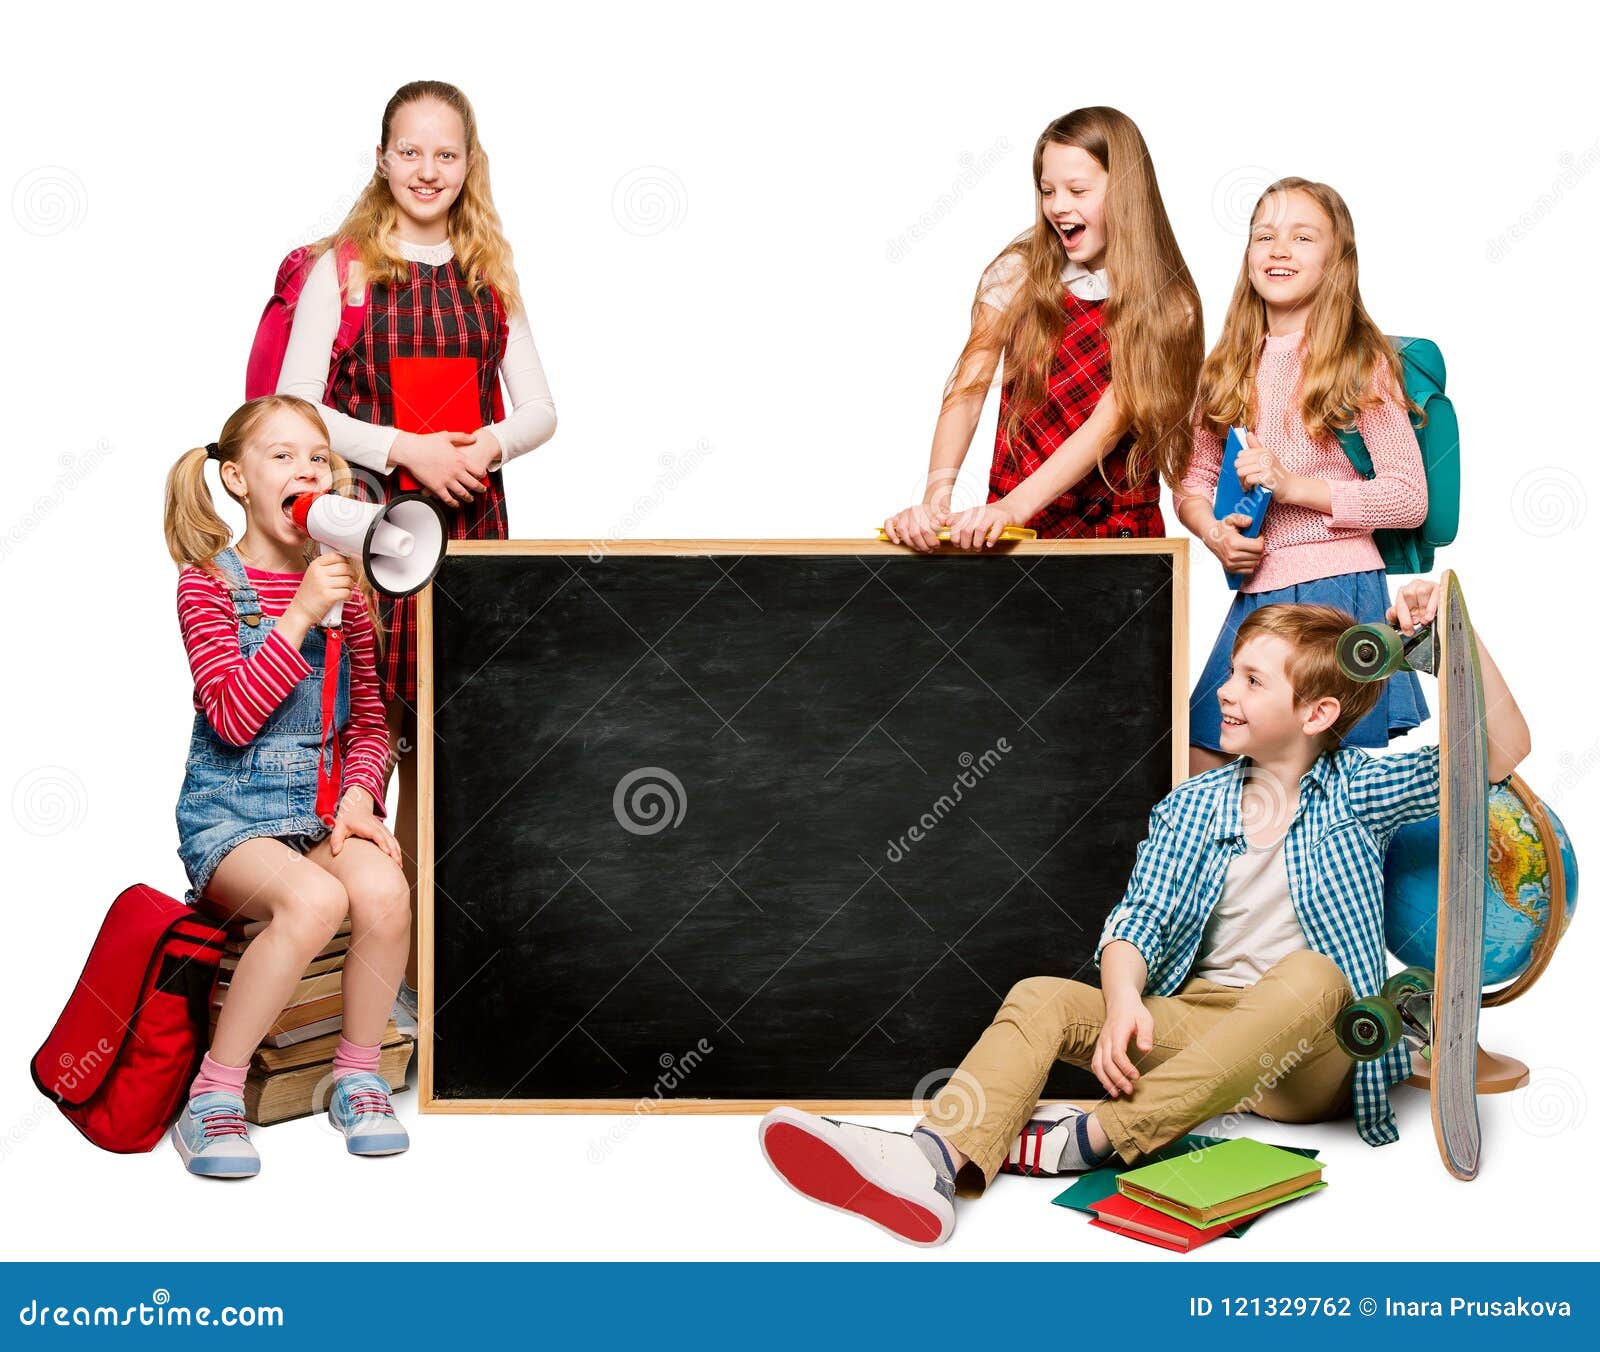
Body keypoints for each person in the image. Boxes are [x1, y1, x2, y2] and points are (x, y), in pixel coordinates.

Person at [758, 581, 1531, 1245]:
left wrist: (1449, 638)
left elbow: (1498, 751)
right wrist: (1124, 995)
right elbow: (1139, 917)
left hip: (1307, 1058)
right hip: (1205, 1028)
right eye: (1233, 672)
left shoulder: (1359, 790)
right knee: (1040, 997)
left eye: (1254, 682)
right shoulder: (1192, 807)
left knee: (1313, 974)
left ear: (1318, 711)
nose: (1225, 692)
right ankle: (930, 1163)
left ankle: (1094, 1141)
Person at [165, 395, 412, 1177]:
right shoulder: (208, 584)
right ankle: (215, 1094)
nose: (305, 470)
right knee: (315, 900)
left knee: (383, 890)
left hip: (319, 811)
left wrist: (361, 797)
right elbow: (233, 718)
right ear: (236, 478)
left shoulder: (349, 588)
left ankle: (358, 1073)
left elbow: (372, 724)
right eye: (282, 457)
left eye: (317, 458)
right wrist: (301, 613)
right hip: (230, 817)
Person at [1177, 177, 1429, 778]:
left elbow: (1407, 497)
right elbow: (1192, 480)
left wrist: (1292, 487)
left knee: (1326, 778)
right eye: (1264, 235)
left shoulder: (1358, 361)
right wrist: (1215, 534)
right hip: (1257, 593)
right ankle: (1238, 873)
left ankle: (1329, 874)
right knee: (1203, 754)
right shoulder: (1226, 365)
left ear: (1335, 260)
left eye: (1301, 236)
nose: (1278, 249)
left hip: (1339, 593)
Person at [883, 106, 1201, 551]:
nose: (1058, 206)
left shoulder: (1170, 304)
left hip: (1115, 538)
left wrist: (1014, 507)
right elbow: (968, 389)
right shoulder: (1017, 271)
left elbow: (1106, 425)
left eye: (1077, 189)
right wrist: (937, 499)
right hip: (1013, 529)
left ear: (1127, 192)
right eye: (1047, 190)